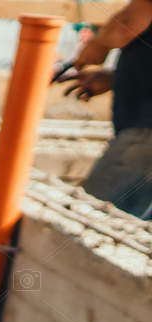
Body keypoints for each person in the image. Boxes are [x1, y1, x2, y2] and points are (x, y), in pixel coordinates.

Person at [56, 0, 152, 218]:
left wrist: (97, 45)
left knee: (90, 220)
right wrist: (116, 79)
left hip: (145, 133)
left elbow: (130, 21)